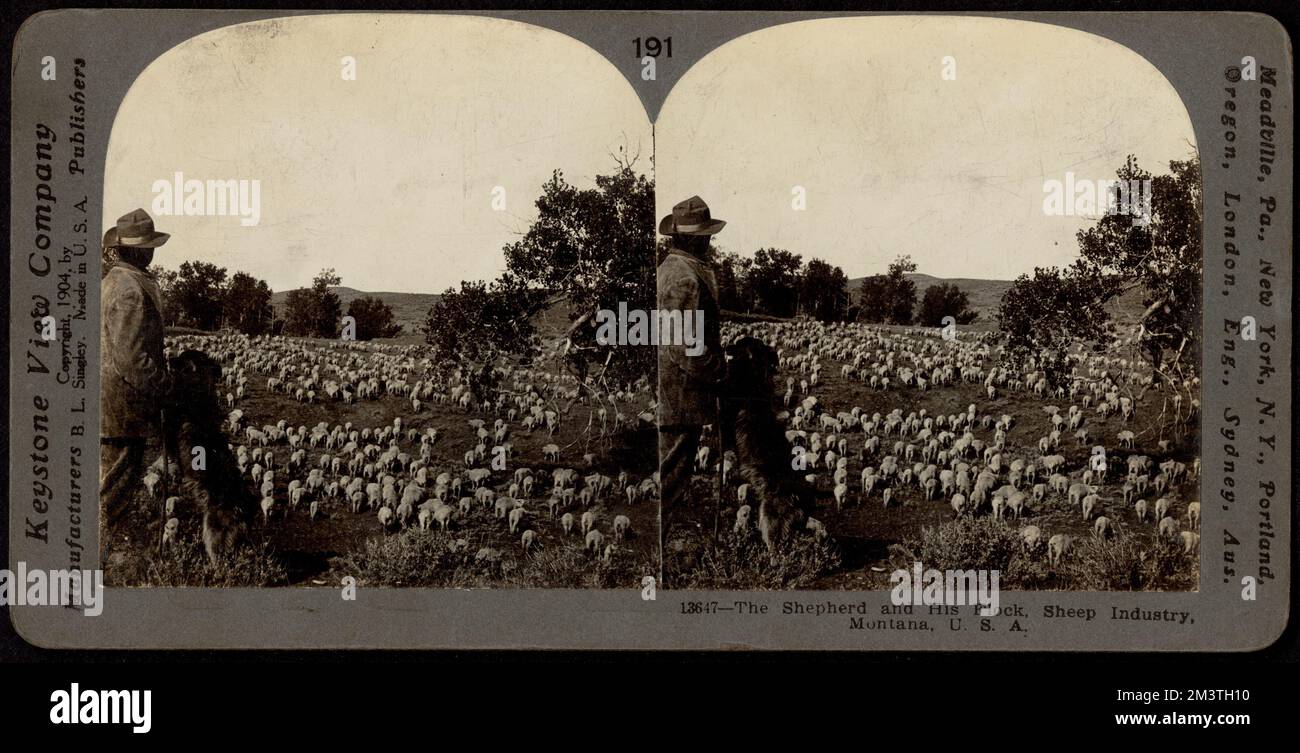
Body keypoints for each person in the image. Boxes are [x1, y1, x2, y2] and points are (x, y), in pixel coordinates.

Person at [656, 196, 728, 562]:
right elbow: (684, 344)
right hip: (682, 393)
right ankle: (661, 560)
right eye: (706, 236)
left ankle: (665, 554)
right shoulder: (682, 276)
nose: (710, 241)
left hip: (681, 391)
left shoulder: (678, 268)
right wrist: (720, 373)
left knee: (673, 474)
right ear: (694, 239)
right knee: (671, 477)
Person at [100, 208, 174, 534]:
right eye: (149, 246)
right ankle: (102, 569)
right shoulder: (129, 289)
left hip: (108, 408)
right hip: (122, 411)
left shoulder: (111, 281)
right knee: (112, 496)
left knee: (107, 488)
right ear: (141, 250)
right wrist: (166, 386)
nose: (152, 252)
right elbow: (130, 358)